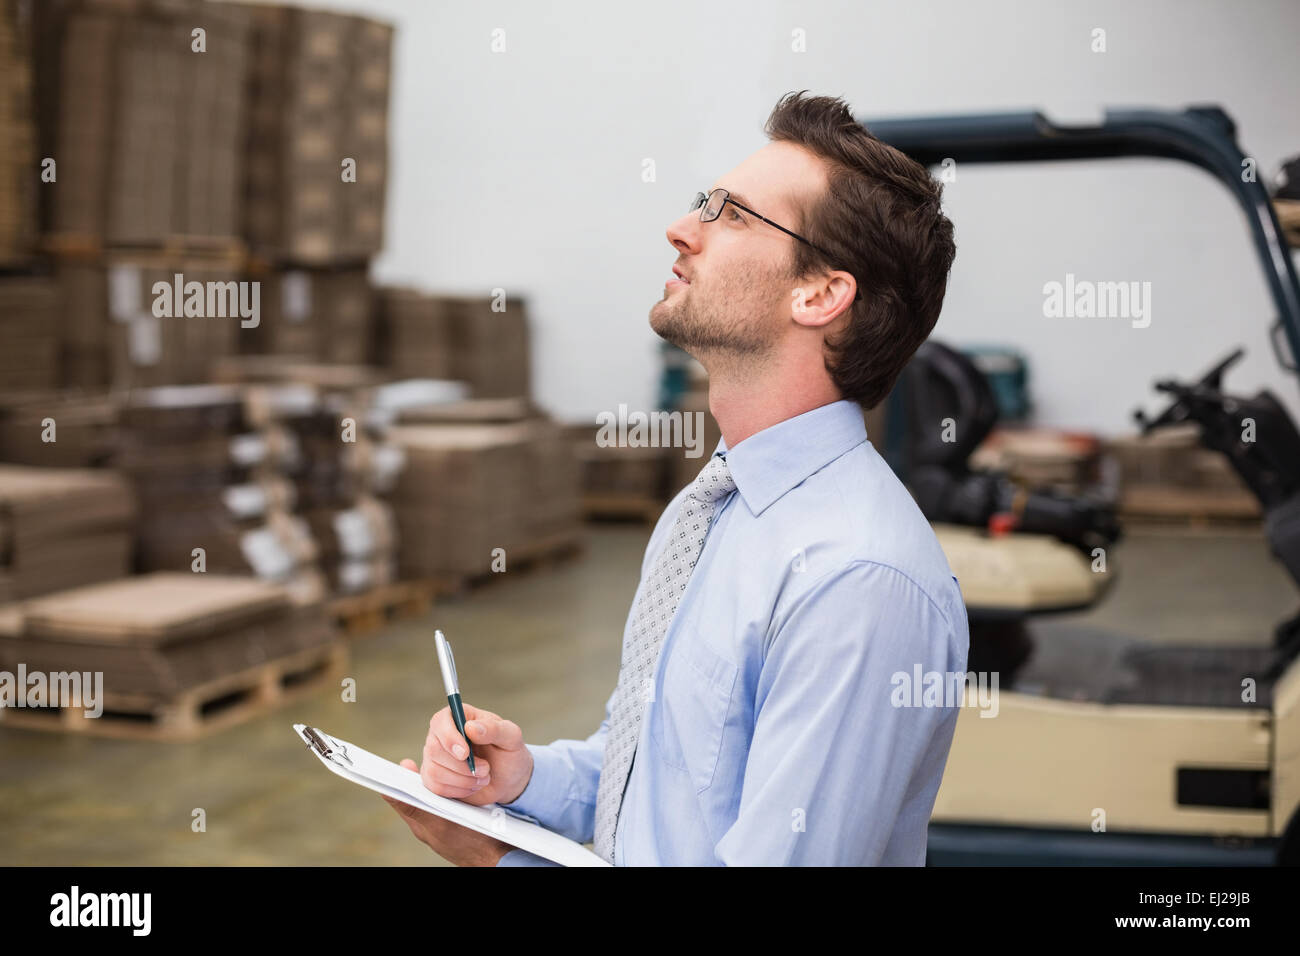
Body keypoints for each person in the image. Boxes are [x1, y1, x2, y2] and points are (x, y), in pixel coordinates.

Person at [384, 90, 968, 866]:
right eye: (705, 203)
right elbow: (660, 773)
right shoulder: (714, 508)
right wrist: (523, 783)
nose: (682, 227)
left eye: (731, 215)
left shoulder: (856, 582)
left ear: (821, 293)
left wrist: (496, 860)